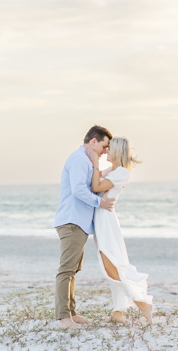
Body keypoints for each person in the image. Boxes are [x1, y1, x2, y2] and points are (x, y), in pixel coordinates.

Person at [53, 125, 118, 329]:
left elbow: (92, 182)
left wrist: (113, 168)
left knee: (74, 269)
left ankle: (72, 313)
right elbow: (79, 190)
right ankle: (64, 319)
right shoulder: (80, 159)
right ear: (93, 142)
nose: (106, 151)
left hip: (78, 222)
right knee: (66, 270)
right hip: (72, 221)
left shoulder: (88, 161)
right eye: (104, 146)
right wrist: (101, 203)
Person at [90, 136, 153, 324]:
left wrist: (94, 163)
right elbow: (94, 181)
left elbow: (95, 186)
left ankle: (141, 302)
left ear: (117, 151)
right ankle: (118, 313)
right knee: (112, 265)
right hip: (102, 219)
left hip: (106, 221)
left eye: (109, 149)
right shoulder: (114, 170)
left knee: (112, 266)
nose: (106, 152)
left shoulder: (121, 173)